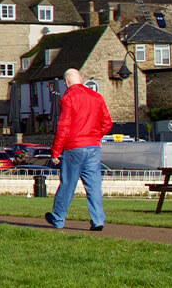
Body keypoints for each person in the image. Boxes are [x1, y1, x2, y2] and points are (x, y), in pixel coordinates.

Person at [47, 68, 113, 230]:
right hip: (93, 146)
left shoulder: (68, 99)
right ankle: (98, 219)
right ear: (81, 79)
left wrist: (56, 151)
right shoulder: (96, 97)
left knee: (68, 184)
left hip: (75, 147)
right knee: (93, 185)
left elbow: (63, 127)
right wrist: (95, 135)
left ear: (66, 82)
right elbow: (107, 123)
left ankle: (58, 217)